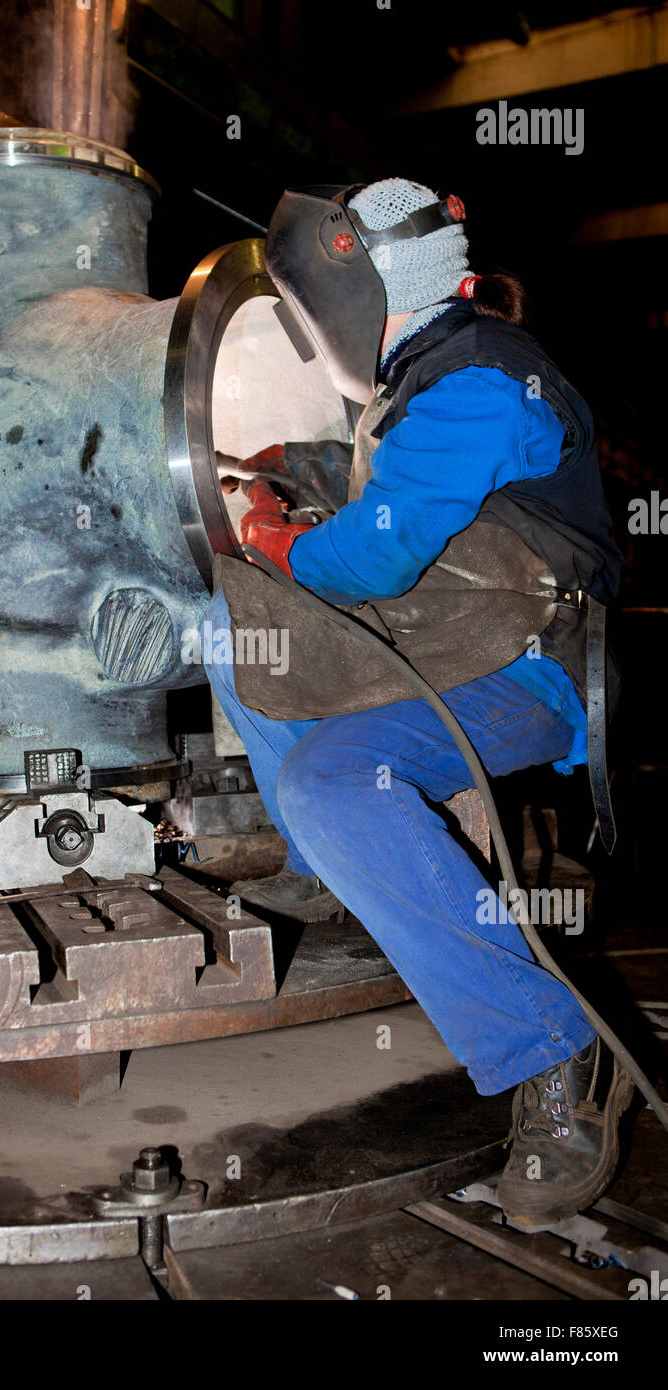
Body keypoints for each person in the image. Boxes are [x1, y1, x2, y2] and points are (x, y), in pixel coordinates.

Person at [203, 177, 632, 1229]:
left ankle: (555, 1061)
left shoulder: (481, 383)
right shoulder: (421, 380)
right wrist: (284, 497)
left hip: (522, 669)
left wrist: (265, 530)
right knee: (231, 631)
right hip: (440, 646)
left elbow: (370, 557)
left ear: (362, 286)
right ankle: (328, 864)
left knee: (335, 776)